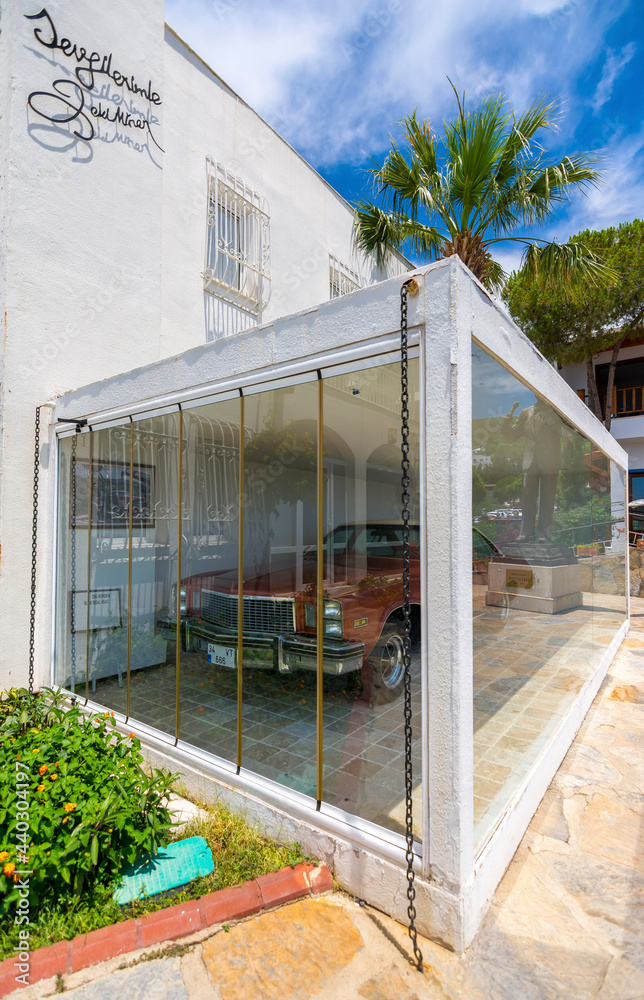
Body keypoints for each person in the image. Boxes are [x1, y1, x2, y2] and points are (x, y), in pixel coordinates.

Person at [503, 398, 566, 542]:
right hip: (529, 461)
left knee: (547, 498)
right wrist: (505, 425)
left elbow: (567, 430)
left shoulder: (556, 412)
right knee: (527, 498)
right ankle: (526, 533)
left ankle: (544, 533)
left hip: (549, 462)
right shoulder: (525, 412)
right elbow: (512, 436)